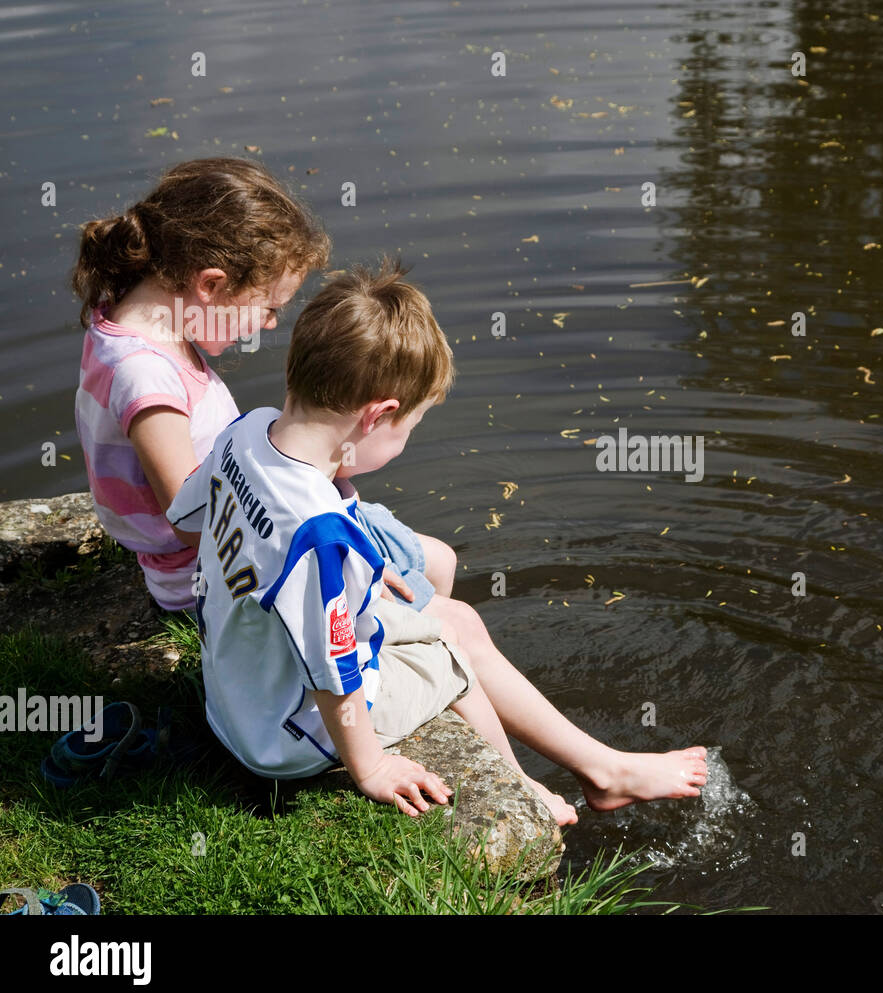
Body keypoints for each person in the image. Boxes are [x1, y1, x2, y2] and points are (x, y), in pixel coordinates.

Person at [164, 261, 709, 823]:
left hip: (232, 691)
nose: (405, 443)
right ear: (379, 416)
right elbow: (334, 677)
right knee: (451, 646)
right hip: (284, 737)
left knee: (461, 619)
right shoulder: (321, 537)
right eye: (410, 429)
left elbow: (186, 517)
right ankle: (522, 794)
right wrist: (371, 768)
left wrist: (349, 570)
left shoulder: (247, 432)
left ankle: (600, 769)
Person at [71, 157, 454, 614]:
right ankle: (415, 655)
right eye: (270, 307)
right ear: (211, 285)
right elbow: (190, 522)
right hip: (220, 576)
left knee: (439, 560)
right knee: (440, 600)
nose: (271, 324)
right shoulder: (146, 378)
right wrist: (345, 555)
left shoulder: (132, 322)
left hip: (249, 533)